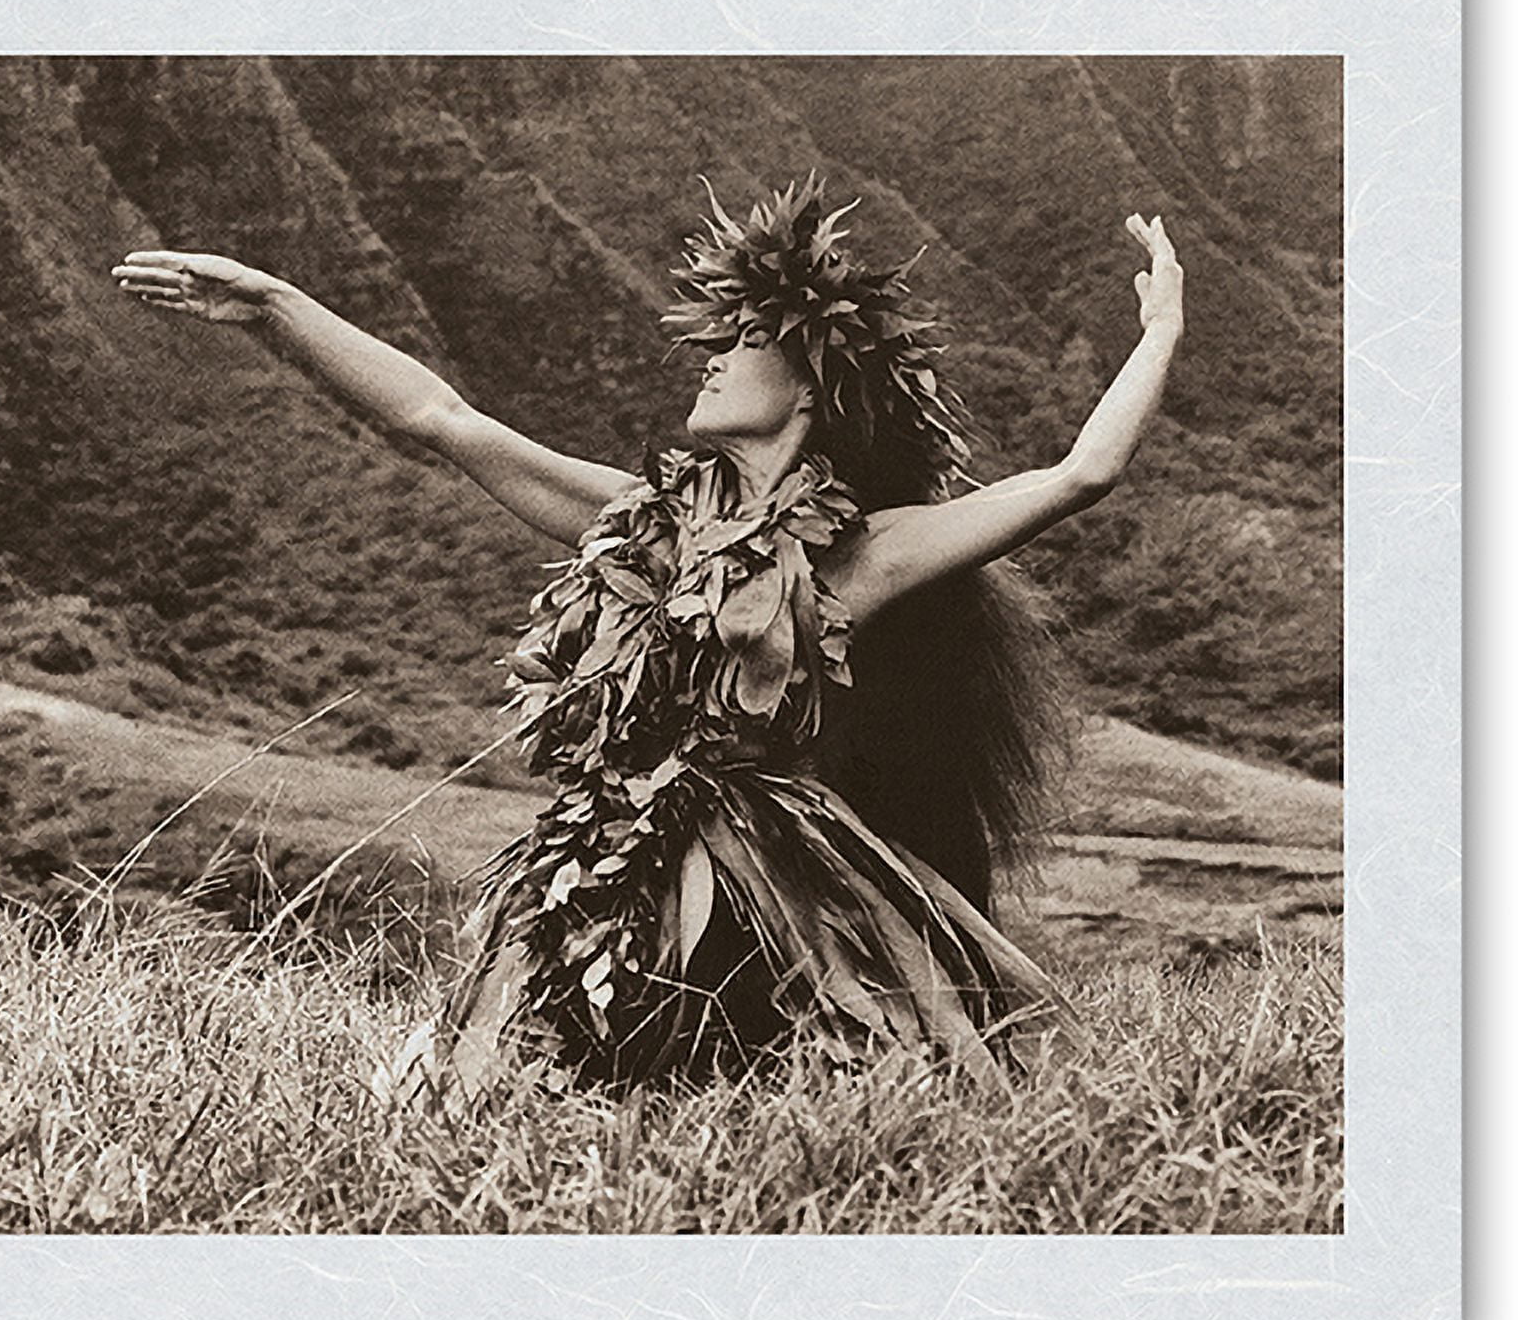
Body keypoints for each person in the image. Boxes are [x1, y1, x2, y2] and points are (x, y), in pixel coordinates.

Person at [112, 175, 1184, 1099]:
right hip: (604, 850)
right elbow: (438, 420)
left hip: (773, 882)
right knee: (521, 1085)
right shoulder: (641, 521)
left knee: (759, 1075)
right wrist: (275, 307)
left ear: (809, 388)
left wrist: (1163, 333)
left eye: (746, 343)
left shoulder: (870, 555)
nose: (712, 360)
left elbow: (1080, 476)